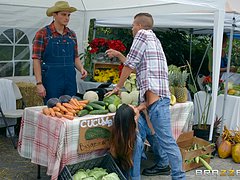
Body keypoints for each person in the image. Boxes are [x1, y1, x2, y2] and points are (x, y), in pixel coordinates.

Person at [106, 13, 185, 179]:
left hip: (156, 105)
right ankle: (132, 176)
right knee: (136, 138)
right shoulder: (154, 40)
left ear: (140, 26)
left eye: (133, 25)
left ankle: (179, 176)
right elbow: (137, 67)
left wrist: (118, 86)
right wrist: (141, 107)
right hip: (151, 104)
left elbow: (130, 65)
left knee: (168, 142)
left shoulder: (142, 35)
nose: (132, 28)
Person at [32, 1, 87, 104]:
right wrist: (39, 83)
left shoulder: (72, 34)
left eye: (68, 15)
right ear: (54, 15)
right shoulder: (43, 33)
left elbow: (75, 57)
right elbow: (36, 59)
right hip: (51, 81)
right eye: (63, 14)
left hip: (70, 80)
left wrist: (81, 68)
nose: (67, 18)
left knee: (71, 108)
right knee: (53, 110)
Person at [110, 103, 141, 179]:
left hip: (121, 170)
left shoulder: (115, 134)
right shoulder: (136, 141)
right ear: (132, 121)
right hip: (130, 173)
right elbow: (135, 173)